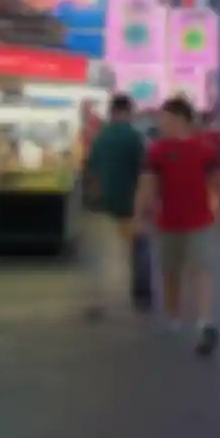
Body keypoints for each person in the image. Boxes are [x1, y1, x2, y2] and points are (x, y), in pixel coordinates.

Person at [136, 97, 220, 356]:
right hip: (167, 222)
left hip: (200, 222)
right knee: (170, 272)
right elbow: (148, 184)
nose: (161, 123)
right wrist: (141, 215)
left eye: (165, 119)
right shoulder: (157, 151)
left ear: (180, 120)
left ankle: (205, 323)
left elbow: (219, 184)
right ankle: (173, 316)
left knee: (202, 270)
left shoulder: (206, 149)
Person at [82, 94, 146, 319]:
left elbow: (91, 170)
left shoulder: (101, 137)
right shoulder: (135, 138)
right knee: (137, 249)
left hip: (103, 205)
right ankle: (141, 294)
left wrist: (92, 197)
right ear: (127, 112)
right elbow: (144, 172)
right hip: (129, 204)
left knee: (101, 254)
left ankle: (98, 301)